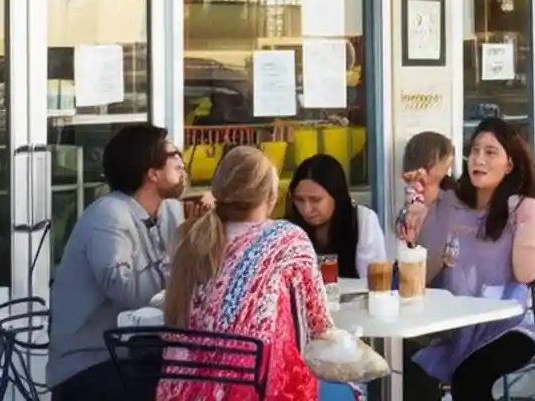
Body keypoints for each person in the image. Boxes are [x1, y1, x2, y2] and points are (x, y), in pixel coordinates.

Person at [161, 146, 333, 401]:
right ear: (272, 198)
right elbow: (320, 327)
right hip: (261, 392)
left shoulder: (190, 239)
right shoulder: (287, 240)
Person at [399, 118, 535, 401]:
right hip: (454, 327)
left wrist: (529, 215)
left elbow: (526, 273)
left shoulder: (520, 209)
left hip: (510, 326)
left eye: (490, 152)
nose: (478, 159)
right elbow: (422, 274)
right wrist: (421, 211)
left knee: (469, 379)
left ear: (510, 164)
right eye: (475, 150)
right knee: (407, 365)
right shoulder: (450, 204)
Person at [48, 124, 187, 400]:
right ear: (152, 172)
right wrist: (175, 264)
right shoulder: (108, 215)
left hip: (141, 349)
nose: (182, 163)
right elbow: (126, 292)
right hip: (91, 360)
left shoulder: (171, 209)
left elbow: (182, 281)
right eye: (174, 154)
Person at [286, 153, 387, 279]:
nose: (306, 210)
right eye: (299, 200)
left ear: (336, 196)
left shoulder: (363, 221)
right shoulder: (288, 229)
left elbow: (373, 280)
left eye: (315, 200)